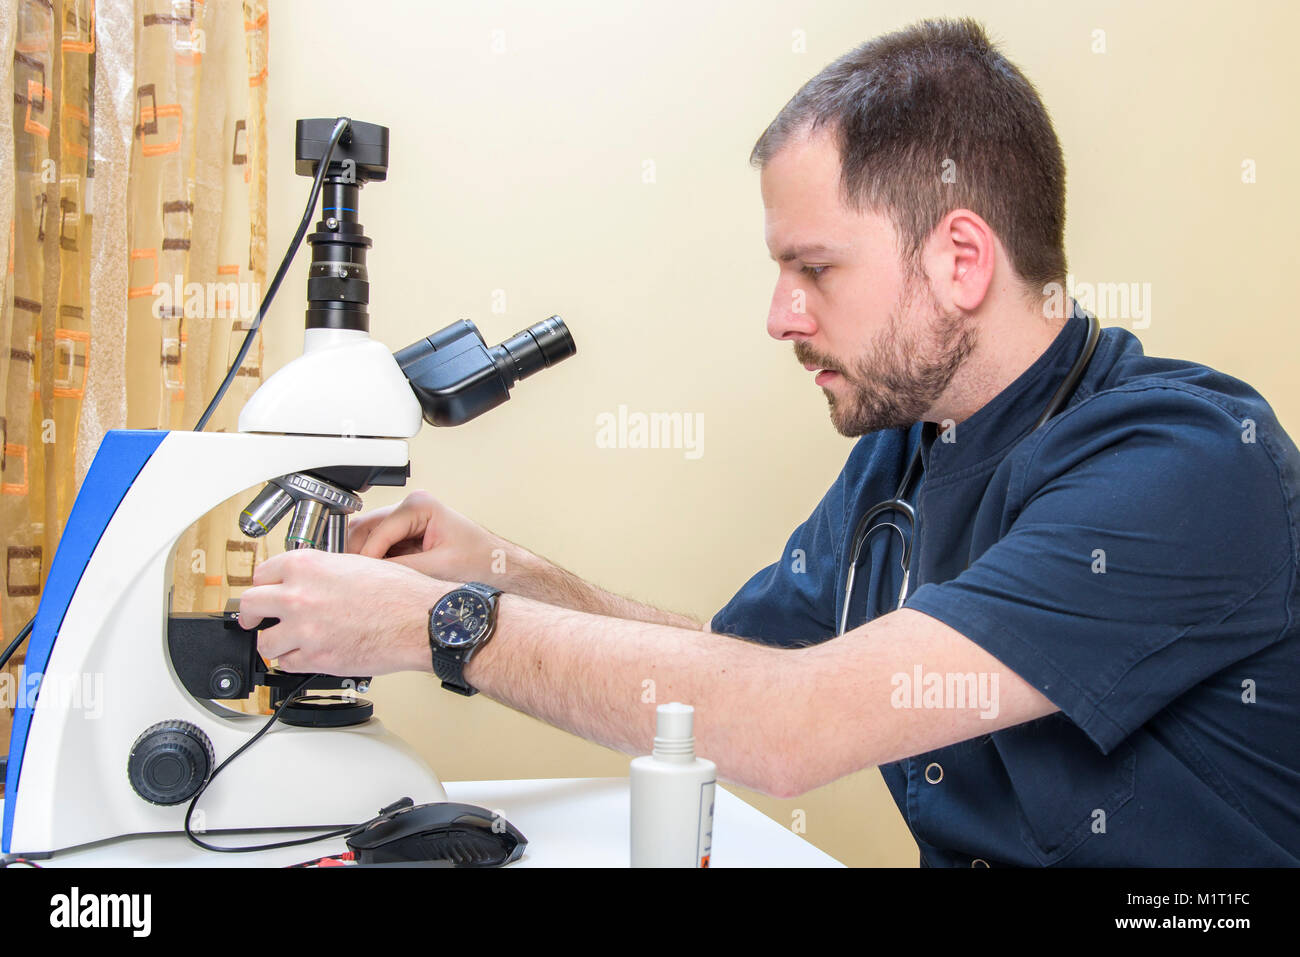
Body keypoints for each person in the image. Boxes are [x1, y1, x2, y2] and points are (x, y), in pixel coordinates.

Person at [238, 18, 1300, 866]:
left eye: (815, 268)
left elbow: (790, 727)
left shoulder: (1186, 462)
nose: (781, 317)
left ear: (961, 260)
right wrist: (498, 571)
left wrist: (446, 627)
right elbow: (746, 670)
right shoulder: (907, 455)